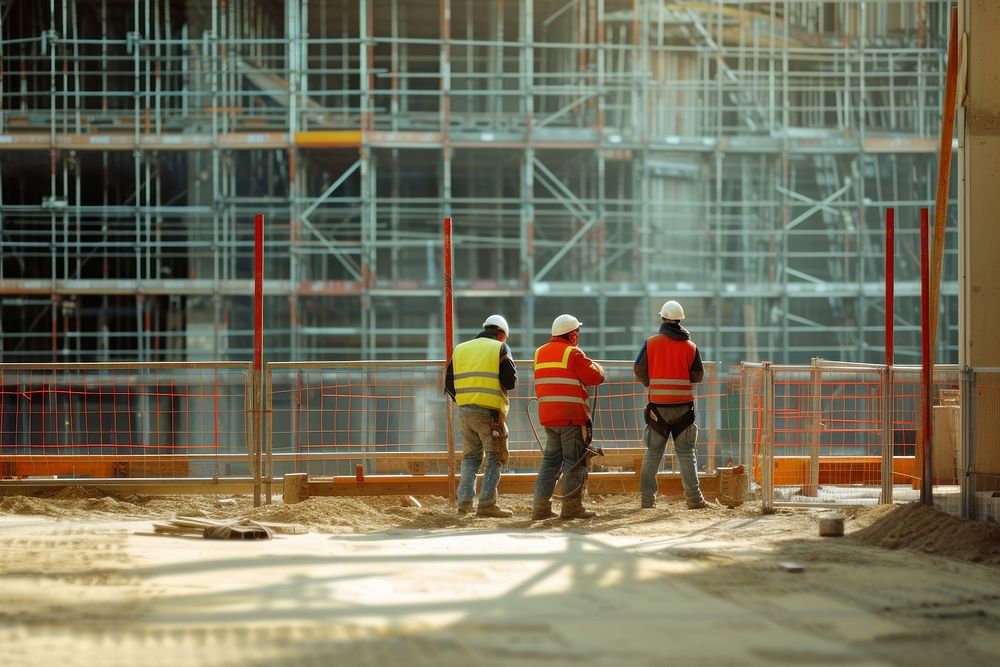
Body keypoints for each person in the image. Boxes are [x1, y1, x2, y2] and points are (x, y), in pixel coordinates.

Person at [530, 314, 606, 520]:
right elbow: (595, 377)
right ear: (572, 336)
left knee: (550, 462)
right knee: (575, 462)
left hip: (549, 417)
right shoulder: (572, 353)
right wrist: (598, 366)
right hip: (571, 417)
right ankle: (572, 507)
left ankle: (540, 508)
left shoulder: (540, 353)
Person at [635, 300, 708, 509]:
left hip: (658, 407)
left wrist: (651, 381)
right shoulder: (691, 347)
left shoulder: (651, 343)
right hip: (683, 408)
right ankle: (694, 500)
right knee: (686, 453)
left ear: (663, 319)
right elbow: (698, 376)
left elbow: (639, 369)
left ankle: (647, 500)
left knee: (653, 452)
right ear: (679, 321)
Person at [444, 314, 518, 517]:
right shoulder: (500, 347)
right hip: (490, 415)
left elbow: (448, 384)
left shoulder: (460, 349)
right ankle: (487, 504)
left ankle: (464, 503)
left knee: (470, 458)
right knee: (496, 456)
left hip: (465, 412)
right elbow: (510, 381)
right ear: (502, 334)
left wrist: (466, 401)